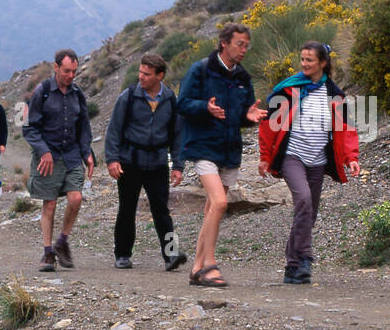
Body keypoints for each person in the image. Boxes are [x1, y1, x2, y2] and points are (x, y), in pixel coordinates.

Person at [257, 41, 360, 284]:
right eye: (302, 59)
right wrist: (264, 157)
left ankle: (293, 268)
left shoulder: (334, 94)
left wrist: (351, 158)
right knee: (302, 200)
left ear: (323, 63)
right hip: (293, 156)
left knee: (309, 212)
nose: (304, 64)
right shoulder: (288, 90)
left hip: (318, 161)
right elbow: (269, 126)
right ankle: (304, 258)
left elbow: (344, 129)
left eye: (309, 60)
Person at [177, 23, 267, 287]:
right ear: (224, 43)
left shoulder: (243, 78)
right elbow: (182, 104)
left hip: (230, 150)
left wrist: (249, 118)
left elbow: (243, 115)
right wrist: (205, 107)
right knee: (219, 203)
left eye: (247, 45)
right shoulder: (201, 70)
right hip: (204, 147)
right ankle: (210, 264)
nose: (244, 49)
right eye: (240, 44)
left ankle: (196, 268)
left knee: (210, 208)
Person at [104, 52, 187, 271]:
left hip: (158, 163)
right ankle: (122, 255)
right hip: (129, 162)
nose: (141, 77)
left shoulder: (170, 100)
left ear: (159, 76)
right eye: (140, 72)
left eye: (147, 74)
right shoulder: (128, 97)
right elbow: (113, 131)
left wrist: (178, 165)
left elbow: (177, 135)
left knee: (162, 210)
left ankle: (171, 255)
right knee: (127, 209)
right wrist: (112, 160)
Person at [22, 49, 95, 272]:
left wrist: (88, 153)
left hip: (72, 154)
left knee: (75, 198)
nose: (71, 76)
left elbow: (83, 126)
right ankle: (47, 253)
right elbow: (29, 128)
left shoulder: (77, 94)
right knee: (50, 203)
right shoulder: (42, 92)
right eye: (66, 71)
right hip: (49, 156)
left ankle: (62, 242)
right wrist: (43, 151)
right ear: (56, 68)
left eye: (74, 71)